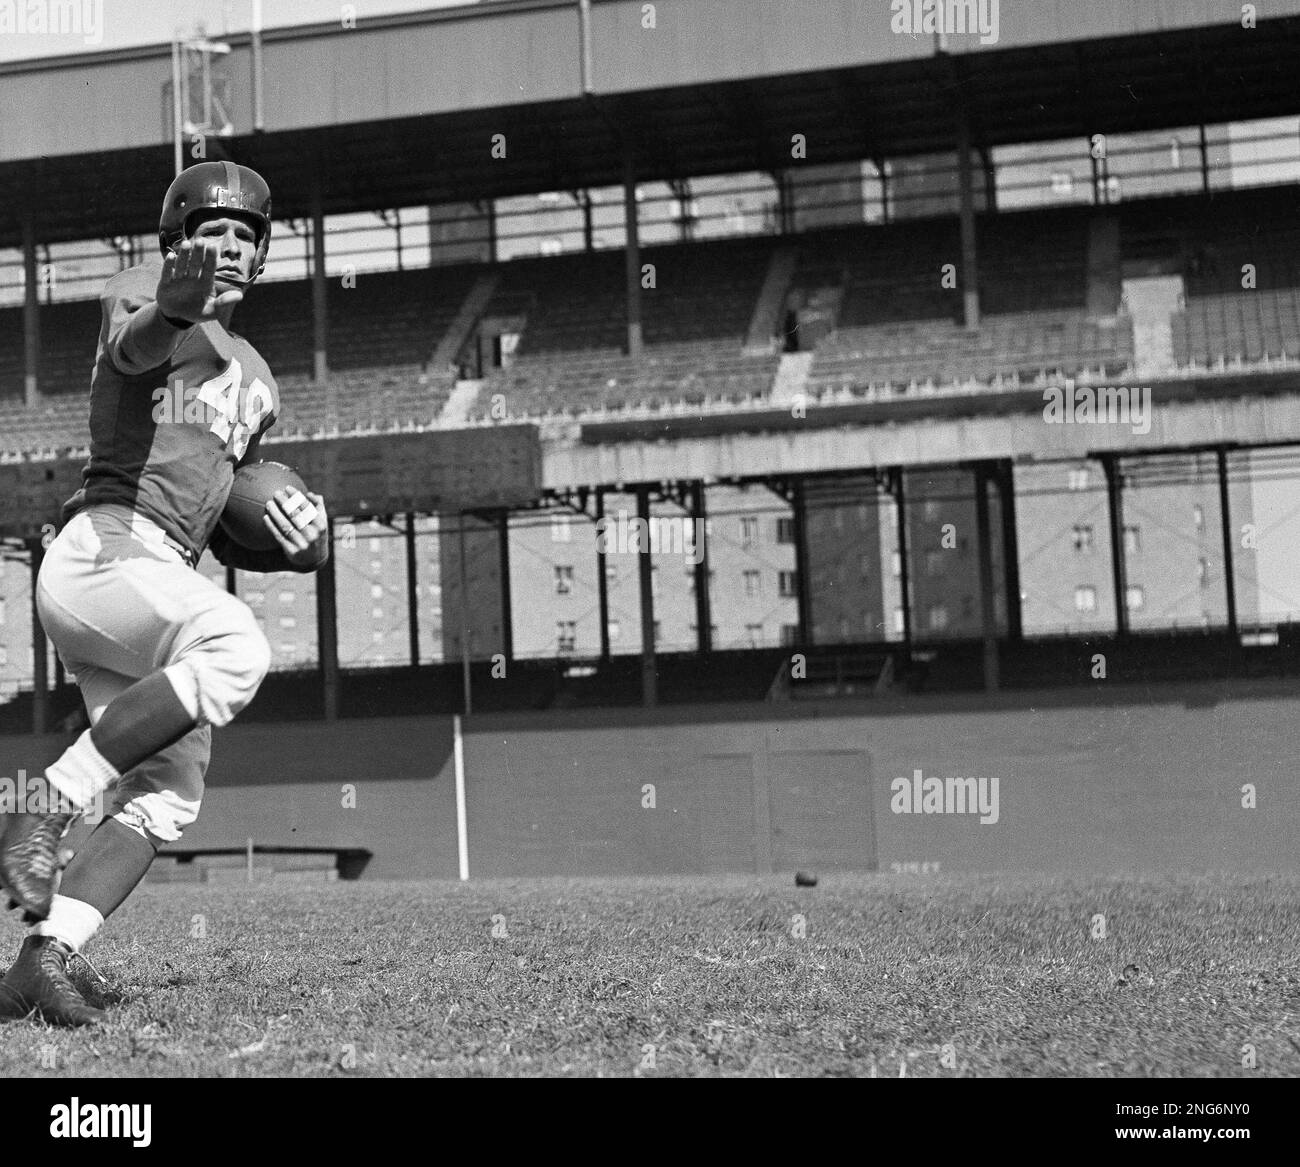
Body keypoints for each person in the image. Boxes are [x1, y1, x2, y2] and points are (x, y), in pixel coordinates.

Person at [0, 161, 329, 1026]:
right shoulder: (145, 286)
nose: (226, 247)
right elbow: (132, 346)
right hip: (104, 551)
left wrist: (302, 542)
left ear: (261, 258)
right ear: (177, 242)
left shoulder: (258, 379)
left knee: (168, 797)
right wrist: (175, 305)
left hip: (160, 574)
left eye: (243, 236)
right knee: (238, 647)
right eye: (210, 231)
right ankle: (47, 809)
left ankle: (44, 958)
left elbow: (227, 518)